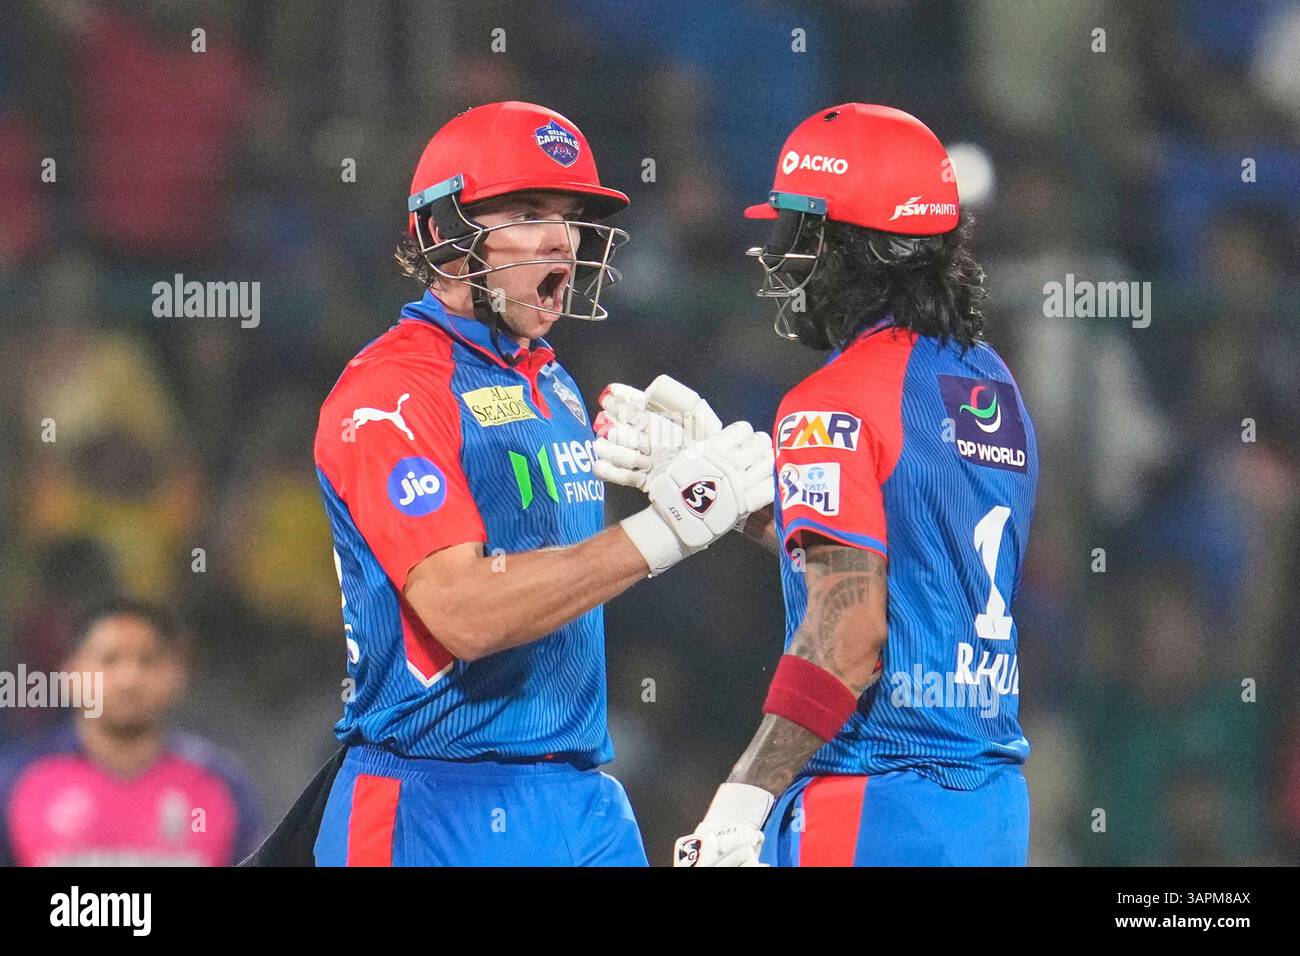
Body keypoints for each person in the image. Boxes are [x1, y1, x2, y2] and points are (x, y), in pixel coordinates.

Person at [306, 101, 773, 866]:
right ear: (443, 236)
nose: (562, 239)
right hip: (433, 802)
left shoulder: (546, 378)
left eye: (572, 217)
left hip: (579, 795)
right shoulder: (389, 394)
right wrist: (664, 527)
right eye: (528, 212)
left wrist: (712, 496)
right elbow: (463, 612)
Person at [596, 103, 1039, 866]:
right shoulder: (988, 382)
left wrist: (744, 796)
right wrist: (751, 501)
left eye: (801, 233)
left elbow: (848, 632)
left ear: (862, 249)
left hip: (874, 801)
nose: (777, 257)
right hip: (986, 805)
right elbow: (904, 569)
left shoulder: (829, 401)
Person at [0, 598, 261, 866]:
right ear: (71, 675)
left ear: (177, 674)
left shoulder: (222, 784)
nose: (129, 679)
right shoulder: (16, 782)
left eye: (147, 661)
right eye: (109, 660)